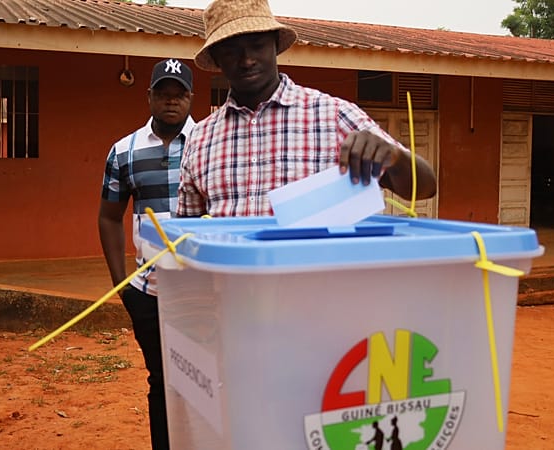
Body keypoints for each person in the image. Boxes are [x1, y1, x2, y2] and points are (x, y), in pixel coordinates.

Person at [177, 0, 436, 218]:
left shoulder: (335, 116)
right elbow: (187, 235)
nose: (246, 60)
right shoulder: (201, 139)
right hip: (231, 279)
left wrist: (394, 157)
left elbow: (424, 188)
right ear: (217, 59)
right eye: (232, 51)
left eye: (257, 45)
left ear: (276, 45)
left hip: (318, 277)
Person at [99, 58, 195, 450]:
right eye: (163, 93)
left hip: (202, 288)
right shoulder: (125, 151)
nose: (171, 102)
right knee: (161, 381)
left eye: (180, 94)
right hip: (150, 290)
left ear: (191, 98)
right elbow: (109, 216)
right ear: (149, 96)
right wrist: (122, 283)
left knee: (205, 380)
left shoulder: (209, 142)